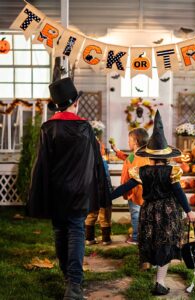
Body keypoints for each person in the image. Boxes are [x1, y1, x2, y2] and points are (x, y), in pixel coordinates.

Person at [27, 77, 111, 300]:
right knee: (76, 231)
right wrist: (99, 189)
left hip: (56, 190)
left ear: (57, 105)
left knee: (59, 231)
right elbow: (94, 161)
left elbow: (42, 164)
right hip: (79, 192)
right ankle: (74, 284)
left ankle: (68, 277)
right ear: (75, 104)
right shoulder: (84, 128)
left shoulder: (48, 128)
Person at [111, 110, 195, 296]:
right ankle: (160, 281)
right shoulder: (172, 172)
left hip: (148, 210)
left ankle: (148, 264)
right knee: (165, 242)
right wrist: (189, 211)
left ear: (149, 156)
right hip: (168, 212)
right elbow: (179, 193)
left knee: (150, 240)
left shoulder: (141, 172)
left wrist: (106, 197)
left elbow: (125, 187)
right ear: (166, 156)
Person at [110, 128, 150, 245]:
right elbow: (128, 159)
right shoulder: (136, 155)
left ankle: (137, 237)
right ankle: (141, 234)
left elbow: (135, 173)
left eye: (130, 140)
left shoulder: (140, 158)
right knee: (137, 213)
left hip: (136, 191)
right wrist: (117, 151)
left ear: (136, 141)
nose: (128, 142)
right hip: (134, 190)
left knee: (136, 214)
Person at [85, 121, 113, 246]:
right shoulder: (103, 164)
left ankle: (89, 238)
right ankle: (106, 239)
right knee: (105, 215)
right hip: (103, 191)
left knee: (91, 214)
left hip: (91, 192)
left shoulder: (86, 162)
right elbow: (106, 178)